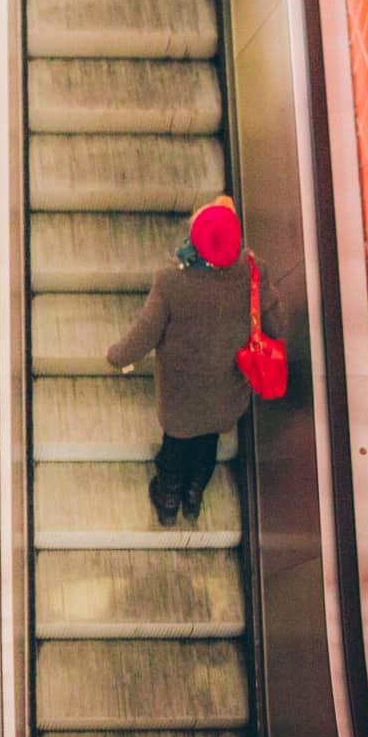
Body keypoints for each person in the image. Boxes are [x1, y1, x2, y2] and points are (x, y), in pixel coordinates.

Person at [105, 195, 281, 525]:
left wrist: (117, 356)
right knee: (207, 447)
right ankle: (193, 496)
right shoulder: (253, 272)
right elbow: (276, 326)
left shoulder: (171, 283)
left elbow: (145, 334)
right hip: (227, 394)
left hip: (181, 396)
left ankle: (168, 499)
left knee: (174, 450)